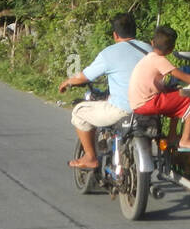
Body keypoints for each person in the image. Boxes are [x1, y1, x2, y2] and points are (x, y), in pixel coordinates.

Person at [58, 13, 151, 170]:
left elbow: (84, 77)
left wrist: (68, 81)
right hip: (149, 108)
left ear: (115, 34)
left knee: (79, 112)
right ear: (135, 31)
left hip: (123, 109)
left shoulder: (109, 53)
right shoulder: (149, 50)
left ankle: (90, 157)